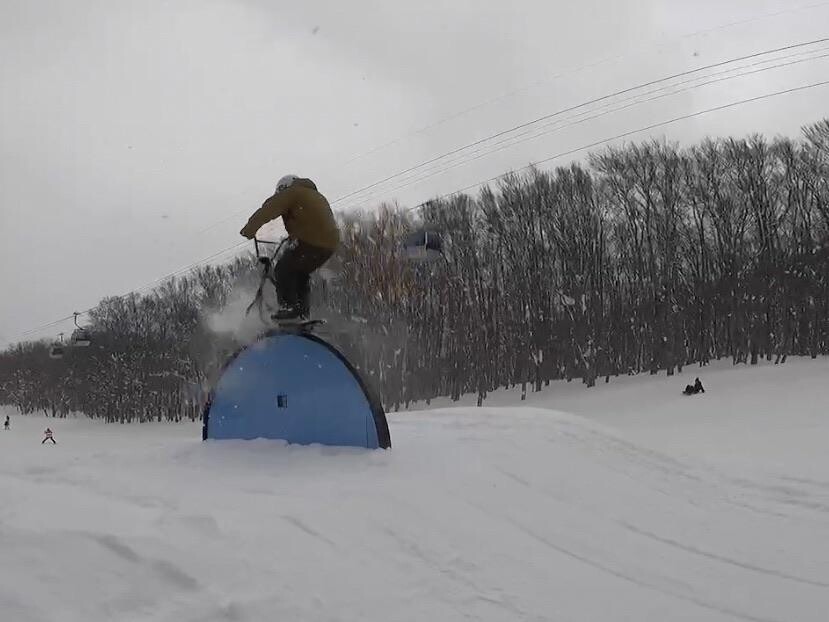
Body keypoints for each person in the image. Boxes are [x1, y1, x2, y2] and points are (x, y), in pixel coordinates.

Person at [240, 175, 339, 320]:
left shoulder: (293, 192)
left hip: (310, 239)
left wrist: (250, 228)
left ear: (283, 188)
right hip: (329, 244)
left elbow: (270, 208)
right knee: (300, 274)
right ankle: (302, 313)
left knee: (283, 269)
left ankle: (289, 308)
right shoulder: (312, 194)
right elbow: (311, 219)